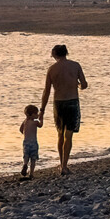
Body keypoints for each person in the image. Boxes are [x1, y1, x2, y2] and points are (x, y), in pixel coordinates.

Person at [41, 43, 89, 173]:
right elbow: (84, 85)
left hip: (58, 103)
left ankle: (61, 163)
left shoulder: (52, 69)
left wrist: (42, 110)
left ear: (54, 54)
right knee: (69, 135)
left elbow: (46, 91)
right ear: (66, 53)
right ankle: (64, 166)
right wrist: (78, 85)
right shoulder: (75, 65)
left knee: (60, 134)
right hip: (72, 101)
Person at [18, 104, 42, 179]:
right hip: (34, 143)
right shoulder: (35, 122)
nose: (37, 115)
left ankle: (25, 164)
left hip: (26, 142)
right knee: (33, 159)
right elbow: (40, 125)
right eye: (36, 113)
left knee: (26, 156)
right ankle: (31, 173)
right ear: (31, 115)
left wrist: (25, 133)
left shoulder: (25, 121)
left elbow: (21, 130)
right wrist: (41, 118)